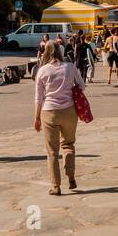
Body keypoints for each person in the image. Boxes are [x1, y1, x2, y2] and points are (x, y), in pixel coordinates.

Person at [33, 40, 85, 194]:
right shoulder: (69, 67)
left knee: (52, 151)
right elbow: (82, 85)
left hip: (49, 112)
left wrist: (36, 118)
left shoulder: (42, 71)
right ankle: (71, 177)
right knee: (68, 144)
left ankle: (56, 186)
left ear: (45, 52)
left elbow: (38, 98)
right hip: (69, 111)